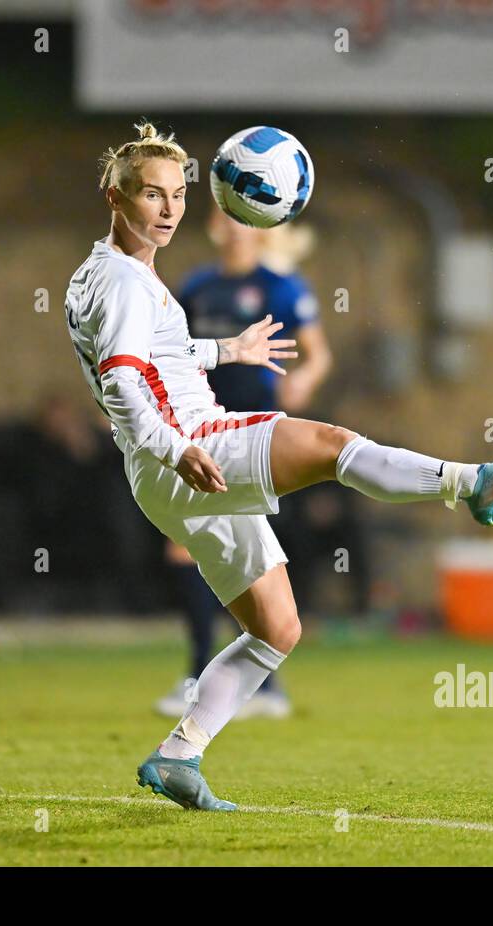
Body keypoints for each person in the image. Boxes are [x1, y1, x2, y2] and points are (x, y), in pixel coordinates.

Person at [65, 122, 493, 811]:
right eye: (153, 195)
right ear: (115, 196)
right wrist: (180, 447)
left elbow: (152, 358)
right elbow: (121, 383)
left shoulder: (109, 272)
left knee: (277, 629)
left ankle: (179, 755)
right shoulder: (122, 280)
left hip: (159, 471)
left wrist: (225, 352)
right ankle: (471, 485)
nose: (170, 209)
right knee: (329, 445)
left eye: (178, 194)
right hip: (189, 442)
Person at [153, 207, 332, 720]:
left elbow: (318, 354)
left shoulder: (281, 286)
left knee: (242, 552)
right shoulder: (197, 286)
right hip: (200, 429)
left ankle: (257, 683)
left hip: (256, 435)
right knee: (192, 550)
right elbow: (173, 353)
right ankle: (208, 676)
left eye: (241, 219)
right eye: (223, 219)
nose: (232, 227)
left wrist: (304, 380)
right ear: (213, 228)